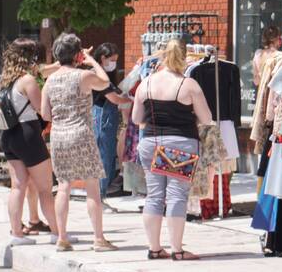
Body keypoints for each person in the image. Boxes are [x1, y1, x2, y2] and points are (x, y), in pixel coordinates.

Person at [132, 39, 214, 260]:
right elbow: (207, 118)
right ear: (184, 57)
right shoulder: (189, 85)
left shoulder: (146, 83)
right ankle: (177, 250)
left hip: (150, 142)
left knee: (154, 196)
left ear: (163, 56)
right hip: (181, 143)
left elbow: (136, 118)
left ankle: (155, 248)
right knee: (177, 195)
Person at [41, 33, 116, 252]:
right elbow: (105, 82)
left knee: (63, 186)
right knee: (92, 186)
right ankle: (99, 238)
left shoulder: (50, 80)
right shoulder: (82, 76)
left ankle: (62, 237)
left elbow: (46, 113)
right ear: (77, 55)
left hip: (59, 137)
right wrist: (92, 61)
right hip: (82, 133)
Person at [0, 39, 60, 246]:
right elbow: (43, 111)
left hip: (8, 135)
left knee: (18, 187)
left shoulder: (5, 81)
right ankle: (57, 233)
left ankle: (17, 234)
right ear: (30, 57)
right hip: (28, 134)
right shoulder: (27, 80)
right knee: (45, 188)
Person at [91, 43, 130, 201]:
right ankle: (100, 195)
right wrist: (131, 100)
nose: (114, 64)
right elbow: (113, 97)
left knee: (107, 155)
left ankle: (102, 194)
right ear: (102, 58)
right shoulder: (97, 75)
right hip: (102, 119)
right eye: (112, 60)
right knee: (103, 156)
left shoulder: (106, 76)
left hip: (106, 120)